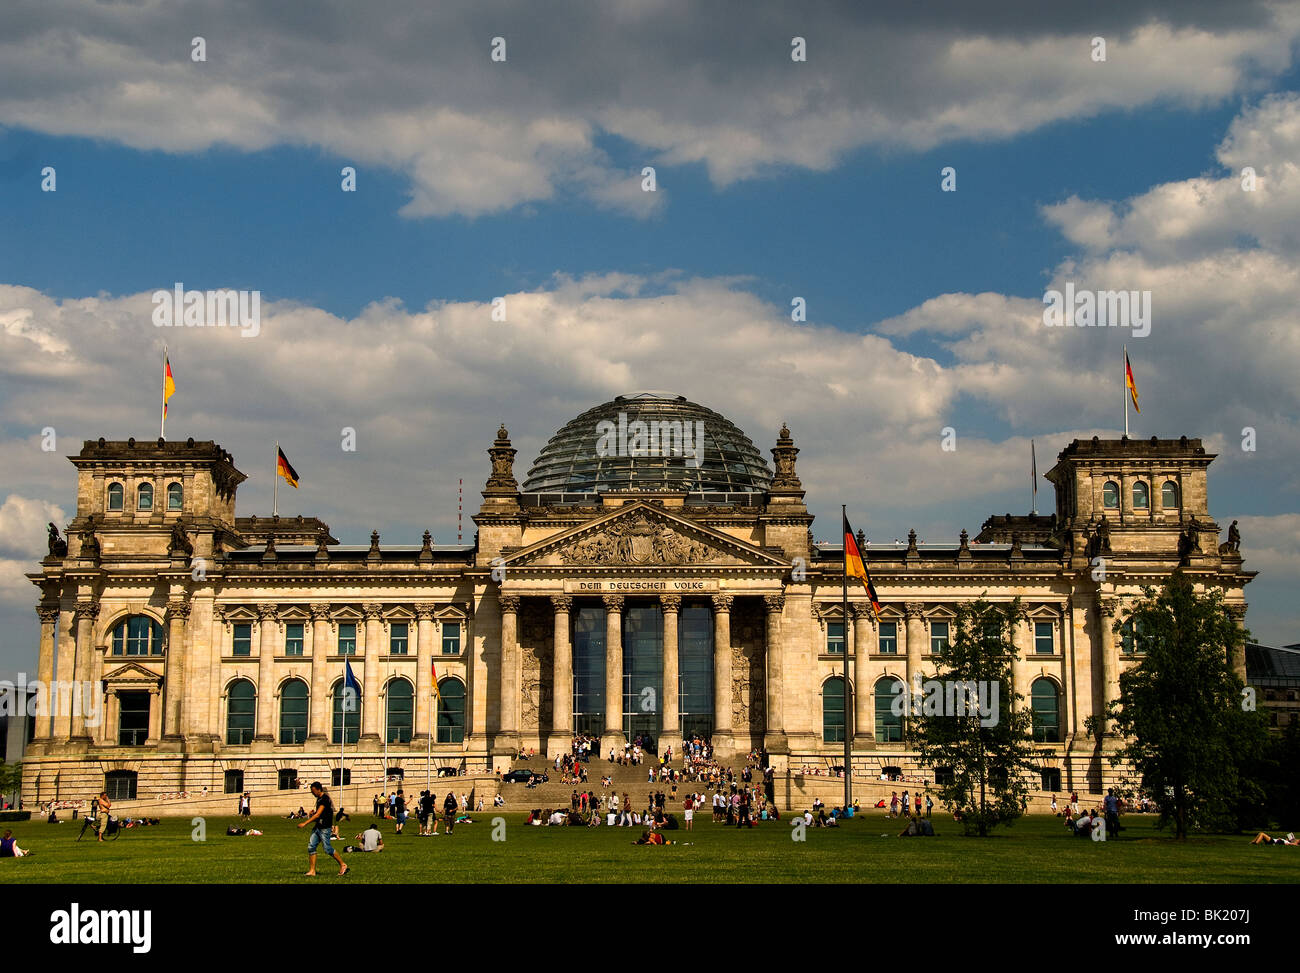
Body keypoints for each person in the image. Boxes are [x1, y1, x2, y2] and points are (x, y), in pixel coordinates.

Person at [299, 781, 349, 877]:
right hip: (318, 827)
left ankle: (343, 864)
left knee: (327, 849)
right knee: (311, 847)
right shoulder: (319, 799)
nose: (312, 793)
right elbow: (319, 815)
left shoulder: (324, 799)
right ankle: (312, 871)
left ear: (318, 789)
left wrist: (305, 823)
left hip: (324, 828)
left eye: (313, 791)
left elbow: (318, 814)